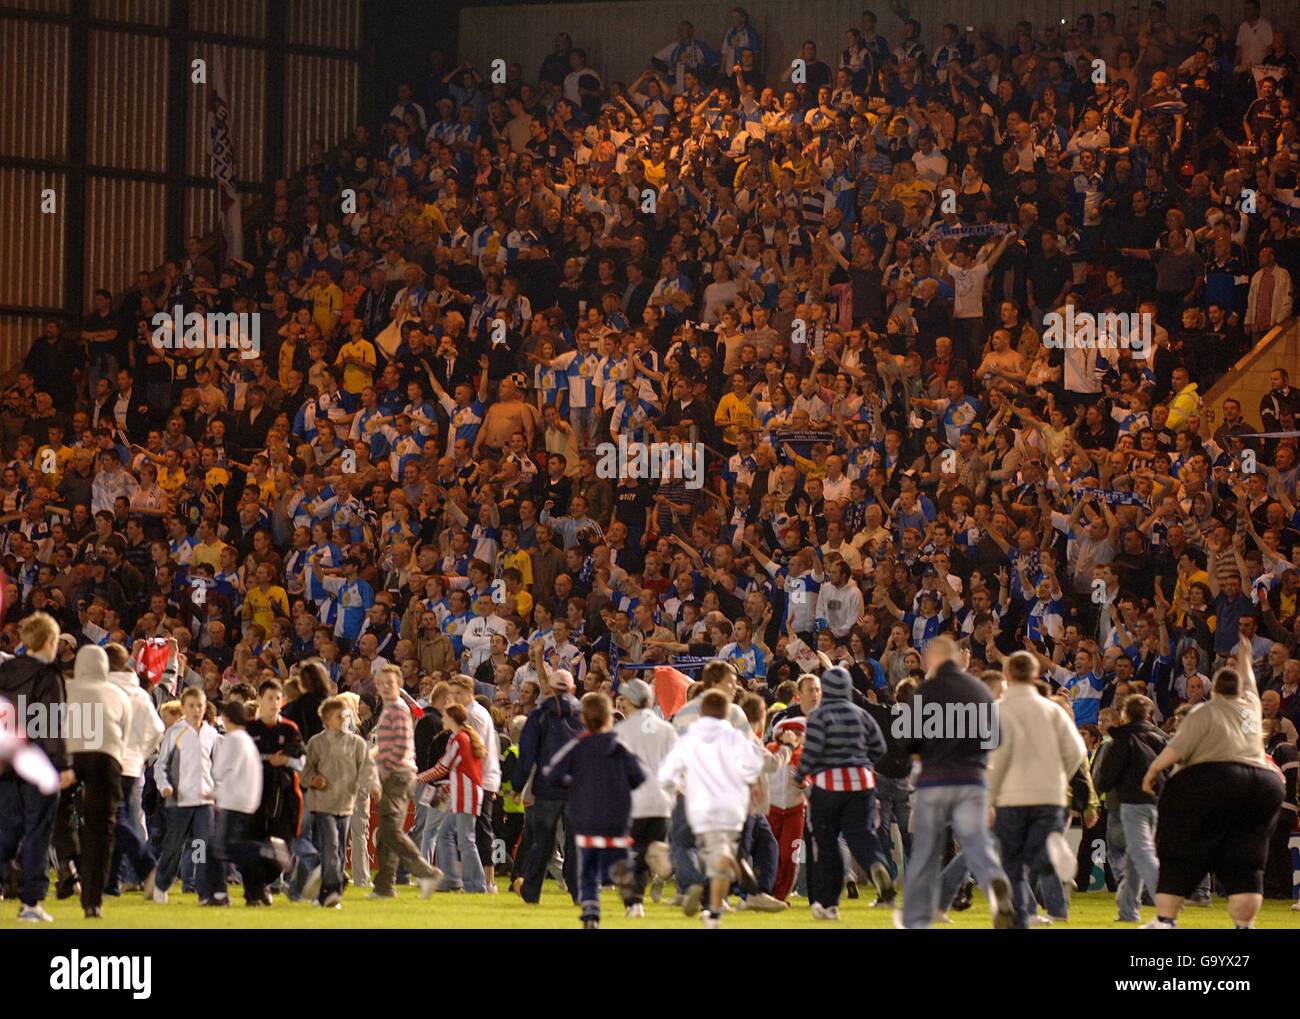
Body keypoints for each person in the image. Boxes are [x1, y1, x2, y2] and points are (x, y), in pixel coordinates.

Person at [1140, 636, 1286, 929]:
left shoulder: (1205, 711)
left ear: (1213, 690)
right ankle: (1245, 924)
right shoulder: (1251, 708)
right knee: (1247, 860)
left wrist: (1153, 770)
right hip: (1262, 783)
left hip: (1212, 780)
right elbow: (1249, 683)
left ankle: (1166, 919)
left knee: (1180, 849)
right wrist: (1244, 656)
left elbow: (1176, 748)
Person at [898, 637, 1013, 929]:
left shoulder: (925, 691)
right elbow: (995, 739)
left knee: (925, 850)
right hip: (972, 780)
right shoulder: (979, 691)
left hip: (934, 781)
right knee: (975, 843)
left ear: (933, 659)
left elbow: (907, 741)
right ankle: (994, 880)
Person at [988, 651, 1088, 930]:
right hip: (1051, 796)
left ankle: (1020, 916)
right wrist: (1058, 778)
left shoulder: (998, 711)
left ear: (1007, 676)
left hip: (1012, 797)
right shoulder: (1053, 710)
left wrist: (988, 800)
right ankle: (1050, 860)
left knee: (1013, 862)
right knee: (1036, 851)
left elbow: (994, 759)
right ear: (1035, 676)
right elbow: (1077, 751)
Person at [658, 689, 766, 928]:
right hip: (730, 806)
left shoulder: (690, 737)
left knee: (685, 844)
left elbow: (668, 773)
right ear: (726, 712)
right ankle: (715, 911)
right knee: (720, 852)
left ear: (703, 712)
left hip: (698, 803)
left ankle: (697, 882)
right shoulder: (736, 736)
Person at [796, 665, 894, 919]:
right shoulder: (861, 715)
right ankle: (877, 867)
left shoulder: (819, 715)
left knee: (827, 845)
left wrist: (799, 775)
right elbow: (880, 748)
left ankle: (829, 904)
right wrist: (863, 762)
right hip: (862, 783)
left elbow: (812, 751)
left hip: (827, 786)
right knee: (862, 836)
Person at [544, 691, 646, 928]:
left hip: (587, 814)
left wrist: (574, 785)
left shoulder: (578, 746)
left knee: (588, 867)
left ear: (583, 719)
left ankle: (591, 913)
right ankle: (631, 898)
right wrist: (622, 786)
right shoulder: (619, 746)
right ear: (610, 718)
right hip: (618, 816)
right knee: (619, 859)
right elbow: (639, 776)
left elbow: (552, 774)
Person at [0, 612, 72, 922]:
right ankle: (31, 903)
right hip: (38, 765)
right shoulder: (48, 675)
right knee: (37, 833)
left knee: (5, 833)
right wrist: (63, 765)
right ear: (49, 642)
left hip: (5, 764)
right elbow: (51, 724)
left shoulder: (4, 672)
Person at [512, 641, 583, 903]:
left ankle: (531, 892)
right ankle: (578, 893)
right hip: (577, 789)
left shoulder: (540, 715)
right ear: (573, 689)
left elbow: (527, 753)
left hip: (546, 788)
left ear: (550, 689)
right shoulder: (584, 714)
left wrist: (518, 787)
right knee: (576, 844)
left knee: (542, 842)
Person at [64, 644, 131, 918]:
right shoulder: (118, 694)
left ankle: (69, 856)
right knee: (102, 830)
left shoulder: (66, 690)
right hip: (107, 757)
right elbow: (124, 733)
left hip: (71, 756)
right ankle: (93, 901)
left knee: (52, 810)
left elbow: (55, 726)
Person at [371, 664, 445, 898]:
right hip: (397, 774)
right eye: (381, 682)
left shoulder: (397, 710)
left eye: (390, 682)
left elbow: (400, 747)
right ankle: (385, 886)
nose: (384, 686)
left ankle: (426, 872)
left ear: (400, 685)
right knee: (386, 832)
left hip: (397, 775)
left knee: (391, 831)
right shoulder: (391, 708)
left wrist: (381, 770)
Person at [208, 700, 291, 907]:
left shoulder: (232, 739)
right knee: (229, 852)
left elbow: (218, 771)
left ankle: (268, 851)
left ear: (226, 719)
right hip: (247, 803)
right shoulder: (247, 740)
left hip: (232, 802)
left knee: (222, 848)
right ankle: (250, 893)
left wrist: (214, 792)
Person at [1093, 693, 1167, 923]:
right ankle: (1127, 910)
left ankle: (1166, 903)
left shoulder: (1123, 738)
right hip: (1158, 800)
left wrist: (1102, 789)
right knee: (1135, 858)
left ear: (1125, 713)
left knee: (1142, 852)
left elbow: (1109, 772)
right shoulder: (1162, 737)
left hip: (1132, 802)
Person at [104, 642, 165, 900]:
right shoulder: (139, 693)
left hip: (108, 763)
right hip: (132, 767)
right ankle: (112, 884)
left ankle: (148, 866)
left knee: (115, 822)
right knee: (122, 822)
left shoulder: (106, 690)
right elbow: (158, 729)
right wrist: (141, 754)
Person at [613, 677, 677, 915]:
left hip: (633, 803)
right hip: (662, 802)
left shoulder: (621, 730)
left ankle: (634, 902)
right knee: (644, 852)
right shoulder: (666, 729)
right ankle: (636, 903)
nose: (621, 704)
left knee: (624, 856)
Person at [150, 686, 220, 904]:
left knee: (202, 845)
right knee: (174, 845)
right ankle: (161, 884)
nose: (196, 710)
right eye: (191, 706)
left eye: (200, 705)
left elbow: (218, 766)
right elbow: (160, 765)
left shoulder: (211, 734)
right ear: (183, 707)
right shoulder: (174, 732)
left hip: (205, 801)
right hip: (179, 800)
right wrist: (164, 787)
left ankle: (202, 890)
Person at [301, 696, 369, 907]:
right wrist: (314, 779)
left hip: (347, 804)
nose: (345, 719)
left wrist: (371, 786)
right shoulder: (316, 742)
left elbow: (366, 768)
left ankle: (328, 893)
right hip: (323, 804)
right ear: (327, 719)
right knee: (330, 845)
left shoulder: (357, 742)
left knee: (339, 850)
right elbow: (305, 772)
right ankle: (331, 892)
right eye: (340, 715)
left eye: (347, 714)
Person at [417, 703, 488, 893]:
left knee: (465, 840)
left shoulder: (458, 740)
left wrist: (417, 778)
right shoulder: (461, 738)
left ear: (453, 719)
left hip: (464, 794)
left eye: (445, 717)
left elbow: (442, 768)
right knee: (444, 834)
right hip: (460, 793)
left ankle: (476, 885)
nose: (442, 720)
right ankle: (451, 879)